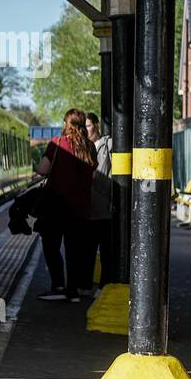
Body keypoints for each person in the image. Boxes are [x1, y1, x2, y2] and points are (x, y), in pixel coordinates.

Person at [34, 108, 96, 302]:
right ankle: (73, 291)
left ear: (67, 124)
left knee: (51, 246)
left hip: (56, 207)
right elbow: (93, 175)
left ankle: (58, 286)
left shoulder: (58, 143)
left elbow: (43, 170)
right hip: (81, 208)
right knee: (75, 250)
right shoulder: (90, 147)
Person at [81, 112, 113, 292]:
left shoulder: (108, 144)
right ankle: (85, 284)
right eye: (83, 127)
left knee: (106, 251)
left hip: (104, 205)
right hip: (87, 206)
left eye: (88, 126)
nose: (86, 130)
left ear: (97, 125)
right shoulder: (83, 147)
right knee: (87, 250)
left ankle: (104, 286)